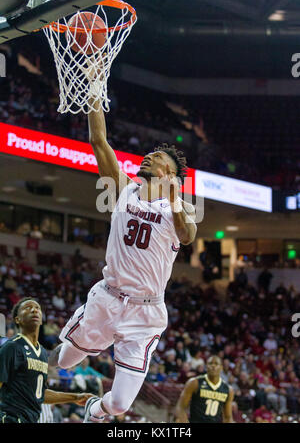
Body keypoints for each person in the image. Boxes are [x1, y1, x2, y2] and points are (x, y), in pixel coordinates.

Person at [49, 94, 197, 423]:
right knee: (63, 362)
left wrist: (174, 199)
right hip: (108, 297)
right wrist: (94, 94)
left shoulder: (180, 209)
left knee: (118, 406)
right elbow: (98, 140)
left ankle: (94, 409)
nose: (148, 157)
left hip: (145, 314)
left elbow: (187, 236)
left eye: (156, 157)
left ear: (170, 173)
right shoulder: (123, 189)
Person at [0, 297, 95, 423]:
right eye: (27, 308)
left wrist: (76, 397)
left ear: (41, 319)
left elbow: (40, 394)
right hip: (11, 418)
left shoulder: (43, 353)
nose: (34, 310)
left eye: (37, 308)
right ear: (18, 319)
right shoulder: (12, 347)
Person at [174, 356, 234, 423]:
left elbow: (228, 417)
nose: (213, 366)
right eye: (210, 363)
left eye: (216, 364)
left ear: (221, 368)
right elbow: (180, 407)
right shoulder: (194, 383)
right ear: (206, 366)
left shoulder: (228, 389)